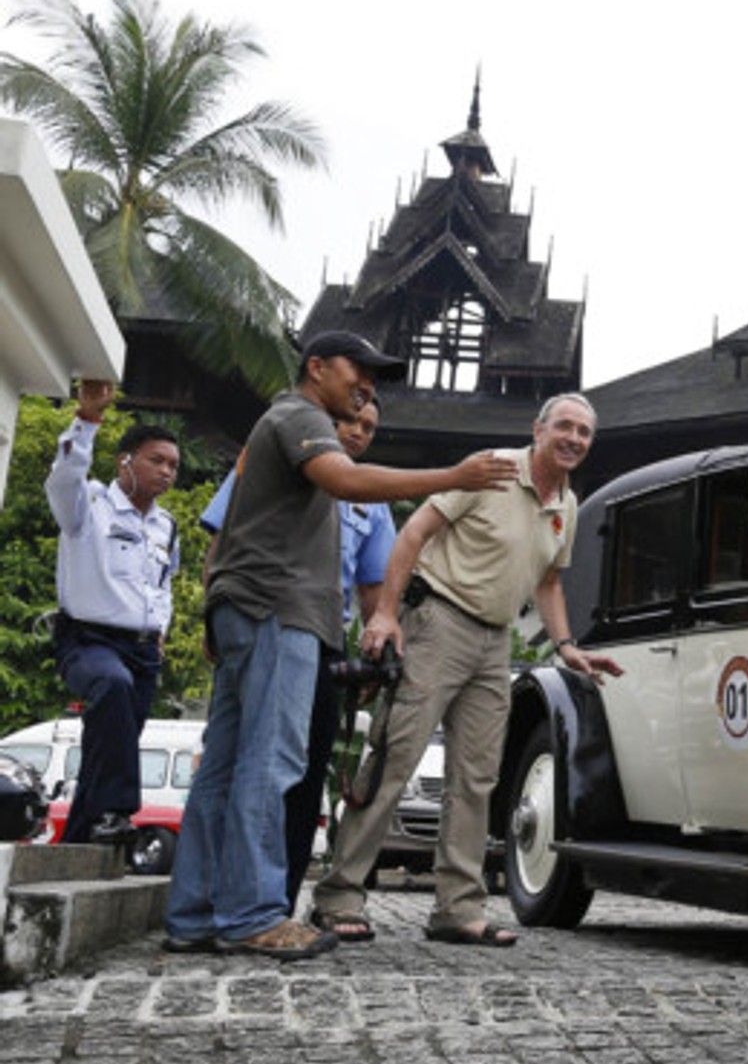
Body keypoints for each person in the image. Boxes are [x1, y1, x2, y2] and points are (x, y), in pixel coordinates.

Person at [164, 333, 516, 961]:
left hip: (250, 606)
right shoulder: (301, 417)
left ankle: (194, 912)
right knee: (268, 764)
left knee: (223, 766)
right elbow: (346, 482)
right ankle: (251, 914)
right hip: (278, 609)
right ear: (317, 368)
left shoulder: (284, 423)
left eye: (377, 378)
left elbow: (354, 562)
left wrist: (216, 610)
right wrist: (455, 476)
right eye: (359, 370)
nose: (367, 386)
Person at [311, 392, 623, 947]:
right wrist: (386, 612)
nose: (574, 439)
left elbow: (548, 582)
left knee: (477, 777)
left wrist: (567, 645)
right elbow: (414, 534)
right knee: (396, 756)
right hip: (438, 622)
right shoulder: (491, 471)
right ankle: (339, 897)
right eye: (565, 427)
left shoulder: (567, 505)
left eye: (585, 432)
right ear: (538, 429)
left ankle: (458, 908)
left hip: (495, 641)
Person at [201, 396, 394, 912]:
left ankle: (277, 901)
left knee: (304, 773)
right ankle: (229, 899)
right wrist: (212, 616)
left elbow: (374, 590)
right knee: (248, 761)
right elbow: (219, 546)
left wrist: (376, 650)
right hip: (263, 614)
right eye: (349, 420)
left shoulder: (370, 502)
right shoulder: (271, 459)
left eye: (369, 427)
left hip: (325, 636)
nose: (357, 432)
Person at [43, 380, 180, 846]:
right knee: (111, 686)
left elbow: (162, 586)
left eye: (173, 465)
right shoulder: (88, 506)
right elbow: (63, 478)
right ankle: (120, 809)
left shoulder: (167, 525)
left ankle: (80, 841)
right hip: (88, 642)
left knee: (107, 749)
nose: (166, 472)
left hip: (141, 652)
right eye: (156, 460)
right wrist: (88, 420)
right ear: (125, 462)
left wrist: (160, 629)